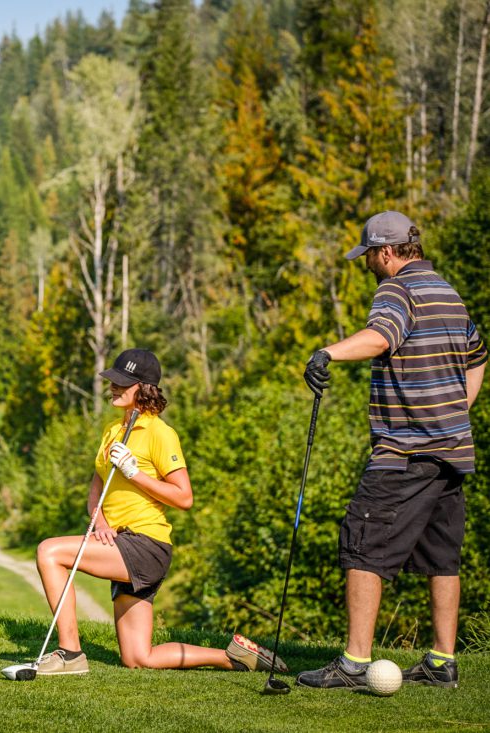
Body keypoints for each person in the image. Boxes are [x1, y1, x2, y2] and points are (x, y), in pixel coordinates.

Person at [300, 210, 487, 690]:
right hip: (452, 450)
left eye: (368, 256)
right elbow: (477, 358)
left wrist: (327, 353)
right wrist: (455, 410)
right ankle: (442, 661)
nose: (367, 264)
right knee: (442, 555)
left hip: (404, 451)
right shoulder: (448, 291)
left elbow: (381, 336)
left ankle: (354, 663)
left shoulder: (396, 290)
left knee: (361, 542)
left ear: (386, 252)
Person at [33, 348, 287, 675]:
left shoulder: (160, 434)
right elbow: (96, 488)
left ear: (144, 388)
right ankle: (232, 656)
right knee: (139, 658)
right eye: (113, 380)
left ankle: (70, 654)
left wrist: (134, 473)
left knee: (49, 552)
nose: (113, 387)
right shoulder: (112, 431)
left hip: (146, 545)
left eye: (122, 383)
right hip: (120, 541)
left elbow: (184, 498)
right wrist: (101, 524)